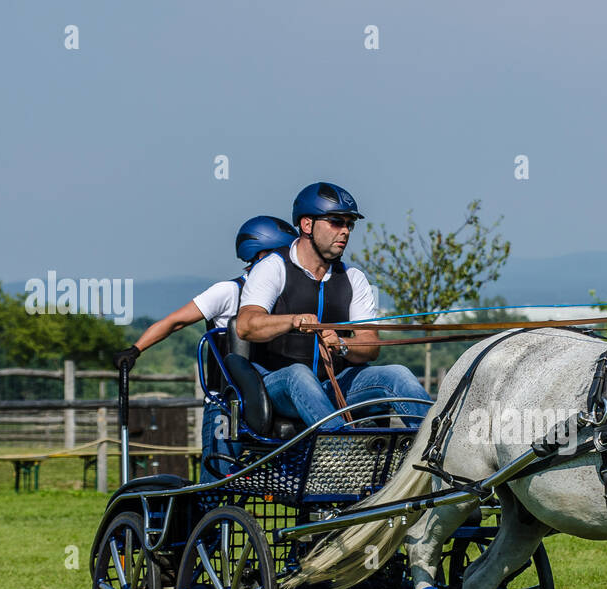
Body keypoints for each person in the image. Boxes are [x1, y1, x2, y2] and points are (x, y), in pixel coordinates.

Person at [235, 182, 430, 430]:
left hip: (334, 385)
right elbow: (246, 326)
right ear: (307, 225)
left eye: (350, 224)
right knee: (299, 374)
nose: (346, 231)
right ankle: (342, 453)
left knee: (399, 374)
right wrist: (294, 321)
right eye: (336, 222)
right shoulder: (272, 268)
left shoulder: (354, 278)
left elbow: (370, 346)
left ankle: (437, 454)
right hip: (276, 386)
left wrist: (342, 345)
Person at [113, 215, 297, 477]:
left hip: (269, 400)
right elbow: (175, 321)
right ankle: (208, 515)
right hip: (227, 402)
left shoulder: (288, 298)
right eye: (282, 255)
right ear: (260, 255)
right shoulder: (229, 291)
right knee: (217, 479)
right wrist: (135, 350)